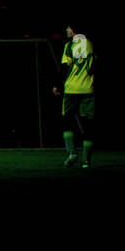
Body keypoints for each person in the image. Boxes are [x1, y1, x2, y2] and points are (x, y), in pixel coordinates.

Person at [52, 25, 95, 168]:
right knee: (88, 126)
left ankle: (72, 152)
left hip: (71, 89)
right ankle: (86, 161)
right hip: (88, 89)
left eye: (68, 28)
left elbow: (64, 67)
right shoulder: (90, 44)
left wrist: (57, 85)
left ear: (74, 29)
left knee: (67, 121)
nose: (66, 30)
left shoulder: (70, 45)